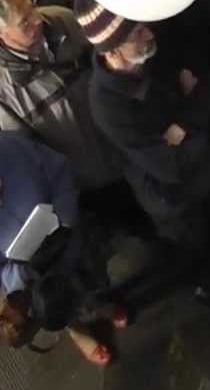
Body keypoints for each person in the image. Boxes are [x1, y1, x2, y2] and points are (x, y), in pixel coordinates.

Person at [76, 0, 210, 311]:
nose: (149, 35)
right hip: (176, 198)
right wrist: (192, 102)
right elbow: (169, 165)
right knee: (205, 255)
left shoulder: (154, 51)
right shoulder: (108, 104)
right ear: (113, 51)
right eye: (137, 33)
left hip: (208, 167)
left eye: (143, 27)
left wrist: (183, 124)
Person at [0, 131, 122, 366]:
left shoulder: (7, 148)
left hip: (69, 228)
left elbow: (57, 168)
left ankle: (95, 303)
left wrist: (65, 219)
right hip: (32, 275)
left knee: (92, 273)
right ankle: (75, 322)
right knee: (49, 301)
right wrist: (24, 273)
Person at [0, 0, 120, 191]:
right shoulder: (4, 93)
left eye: (31, 6)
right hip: (89, 184)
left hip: (126, 147)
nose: (38, 20)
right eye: (24, 23)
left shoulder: (63, 19)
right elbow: (32, 155)